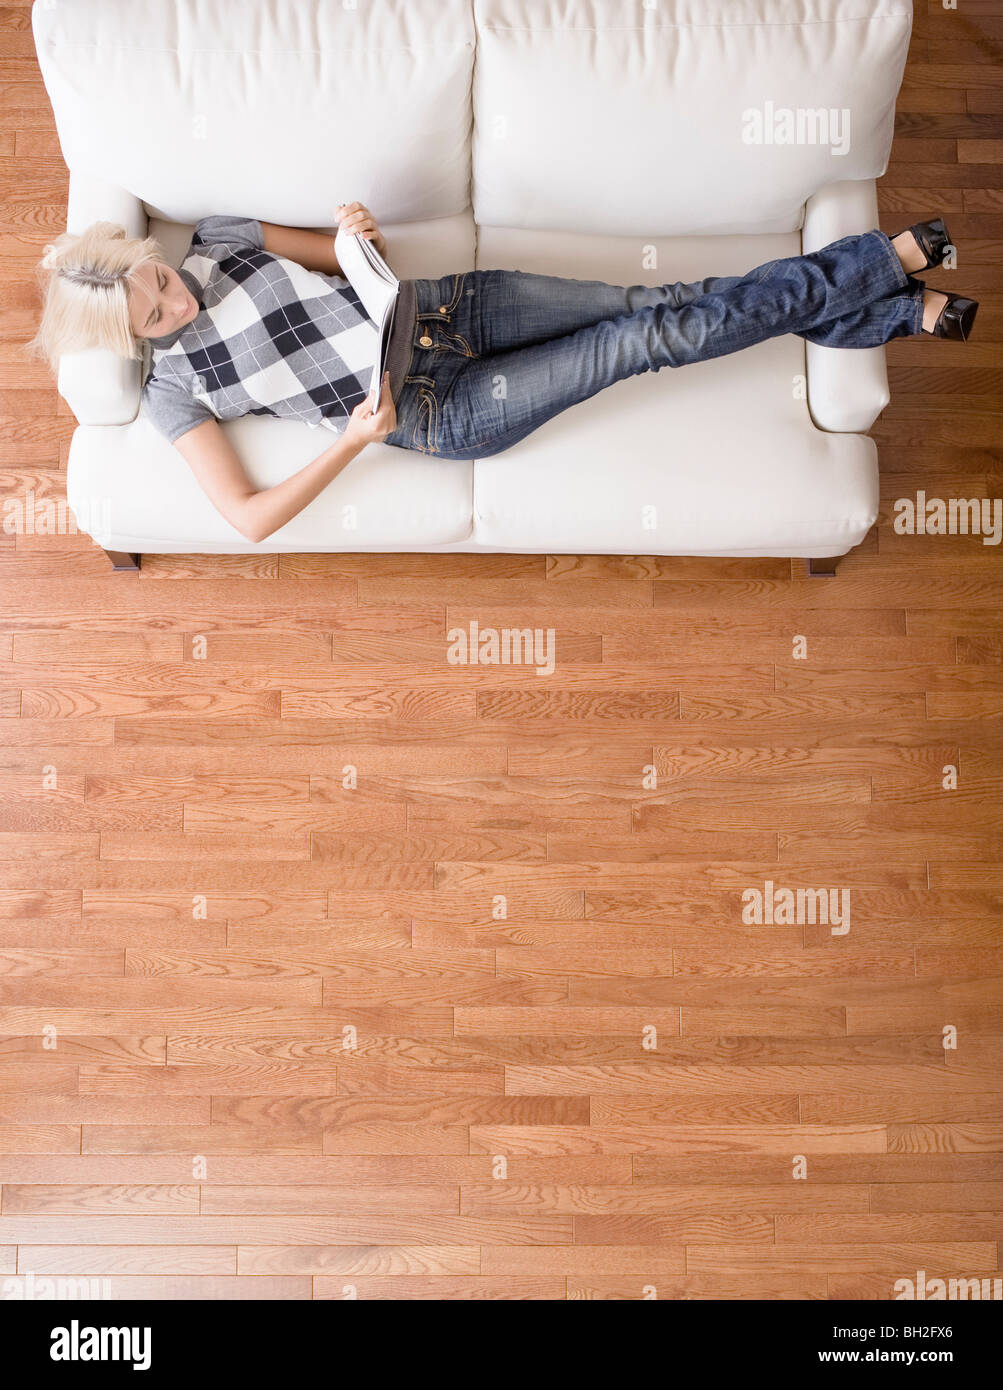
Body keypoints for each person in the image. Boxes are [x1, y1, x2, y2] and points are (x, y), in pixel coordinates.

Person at [28, 205, 977, 544]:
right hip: (440, 409)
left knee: (661, 303)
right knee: (653, 342)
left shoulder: (220, 239)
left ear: (142, 254)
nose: (171, 304)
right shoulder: (168, 388)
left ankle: (892, 305)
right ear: (130, 340)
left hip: (450, 305)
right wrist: (357, 440)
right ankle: (883, 267)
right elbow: (246, 520)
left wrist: (355, 232)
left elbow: (349, 254)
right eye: (152, 318)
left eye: (156, 282)